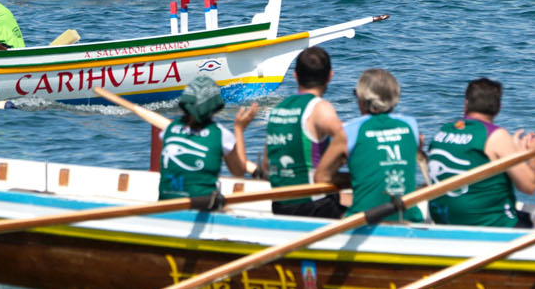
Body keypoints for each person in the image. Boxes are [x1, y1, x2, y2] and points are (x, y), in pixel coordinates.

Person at [426, 78, 535, 228]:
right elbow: (529, 186)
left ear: (466, 104)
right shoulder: (496, 136)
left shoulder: (443, 131)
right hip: (487, 224)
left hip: (445, 220)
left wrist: (516, 155)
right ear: (498, 108)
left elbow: (477, 165)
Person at [247, 46, 348, 217]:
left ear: (295, 76)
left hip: (280, 206)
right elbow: (344, 137)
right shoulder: (319, 108)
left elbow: (266, 166)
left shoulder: (277, 110)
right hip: (315, 206)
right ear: (330, 76)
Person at [157, 74, 257, 205]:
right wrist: (239, 129)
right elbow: (239, 172)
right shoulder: (221, 134)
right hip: (202, 206)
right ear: (215, 107)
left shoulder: (168, 130)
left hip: (165, 206)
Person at [340, 67, 425, 221]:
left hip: (362, 220)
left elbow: (322, 176)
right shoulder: (411, 125)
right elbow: (419, 145)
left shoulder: (348, 130)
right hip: (409, 217)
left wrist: (361, 178)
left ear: (362, 100)